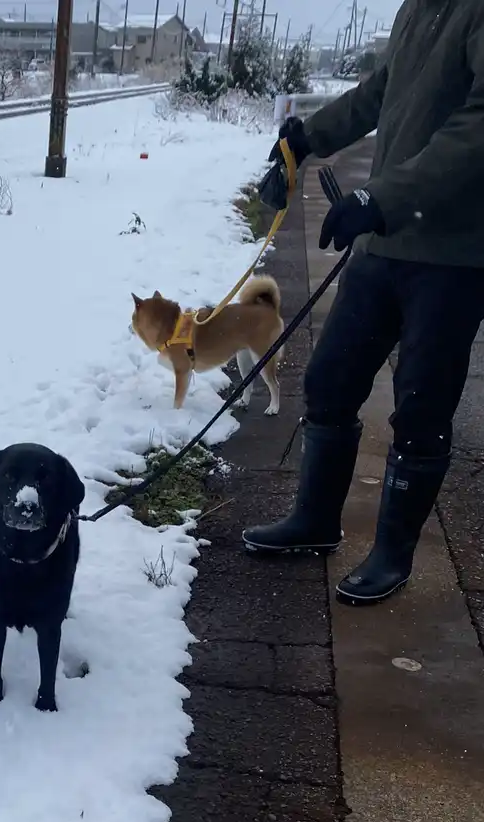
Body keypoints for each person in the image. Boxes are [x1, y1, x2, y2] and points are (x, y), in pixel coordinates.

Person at [242, 0, 484, 605]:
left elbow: (477, 128)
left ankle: (392, 555)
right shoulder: (418, 8)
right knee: (330, 381)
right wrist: (310, 135)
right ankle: (315, 521)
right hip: (382, 244)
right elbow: (380, 91)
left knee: (422, 409)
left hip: (453, 256)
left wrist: (381, 198)